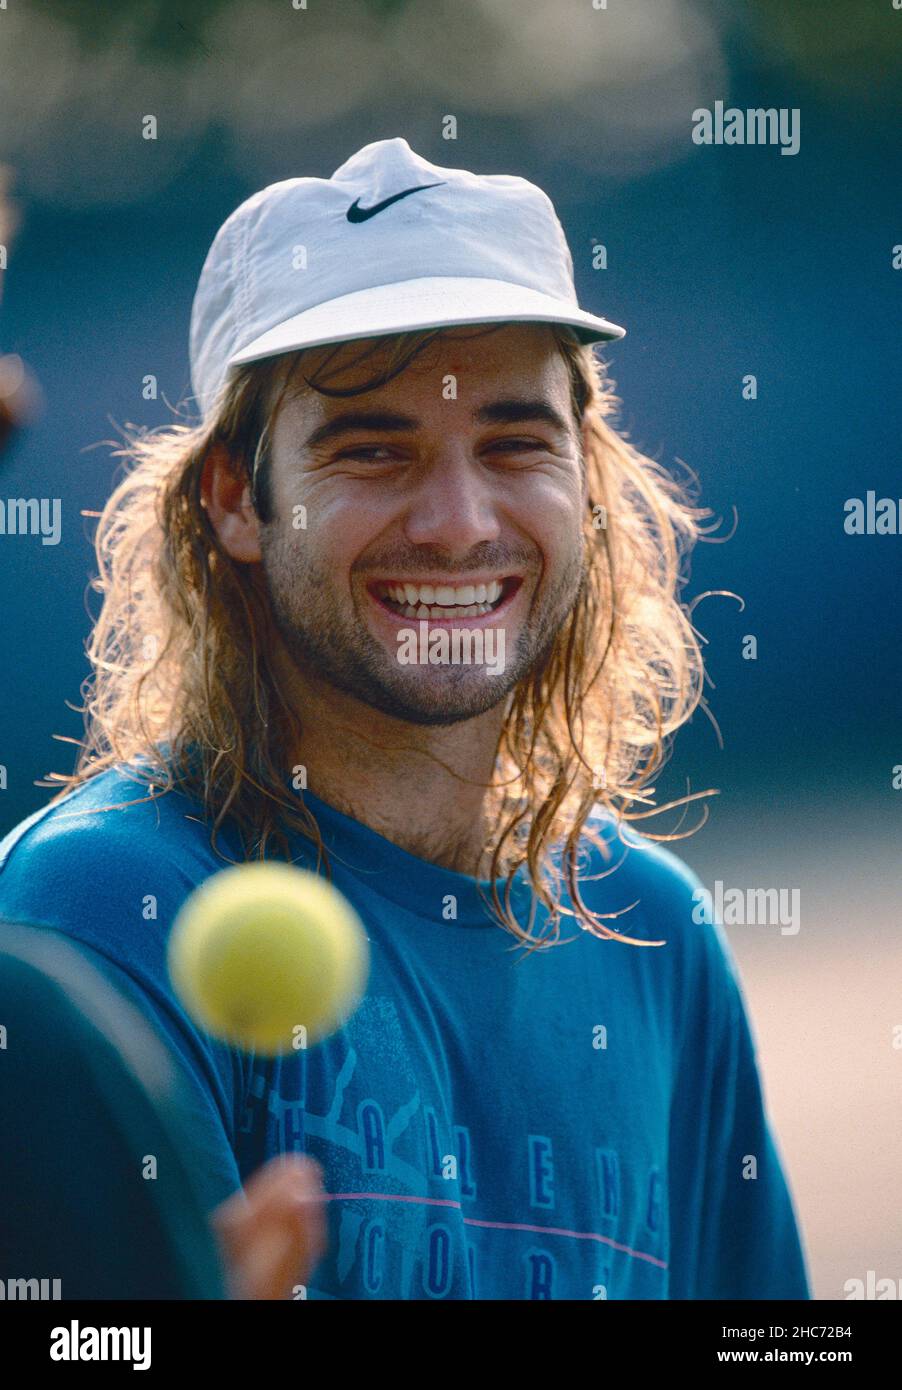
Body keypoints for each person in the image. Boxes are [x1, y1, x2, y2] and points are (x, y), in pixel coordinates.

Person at [0, 137, 809, 1300]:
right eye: (373, 450)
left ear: (584, 473)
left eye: (515, 443)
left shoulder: (657, 931)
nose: (455, 522)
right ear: (236, 499)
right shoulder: (92, 913)